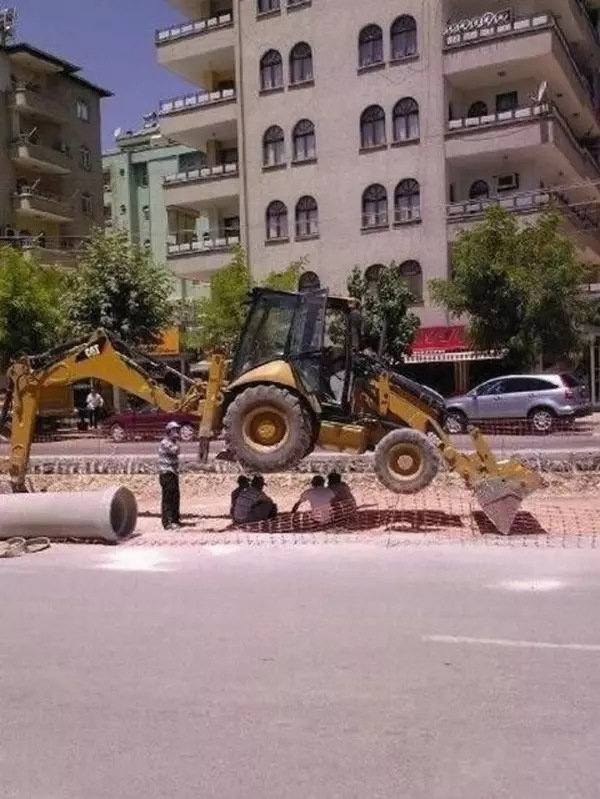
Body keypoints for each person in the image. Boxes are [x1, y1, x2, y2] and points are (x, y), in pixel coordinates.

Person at [158, 420, 182, 530]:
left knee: (175, 497)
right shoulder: (165, 442)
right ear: (169, 431)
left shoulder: (172, 442)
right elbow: (175, 451)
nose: (176, 432)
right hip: (166, 474)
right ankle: (168, 522)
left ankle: (175, 519)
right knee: (168, 499)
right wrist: (179, 439)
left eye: (177, 430)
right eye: (174, 430)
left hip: (173, 473)